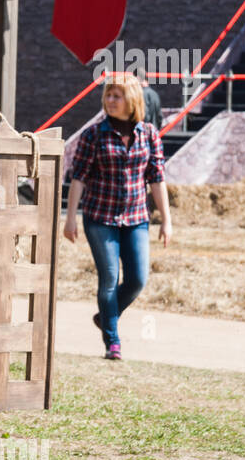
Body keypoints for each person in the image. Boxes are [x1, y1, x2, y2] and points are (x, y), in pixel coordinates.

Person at [63, 73, 172, 360]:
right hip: (100, 217)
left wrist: (167, 220)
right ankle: (112, 340)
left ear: (132, 99)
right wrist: (70, 217)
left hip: (136, 217)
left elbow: (157, 179)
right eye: (108, 96)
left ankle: (105, 316)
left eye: (117, 96)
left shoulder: (149, 134)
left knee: (137, 279)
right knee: (109, 277)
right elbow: (79, 178)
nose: (110, 101)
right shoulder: (93, 134)